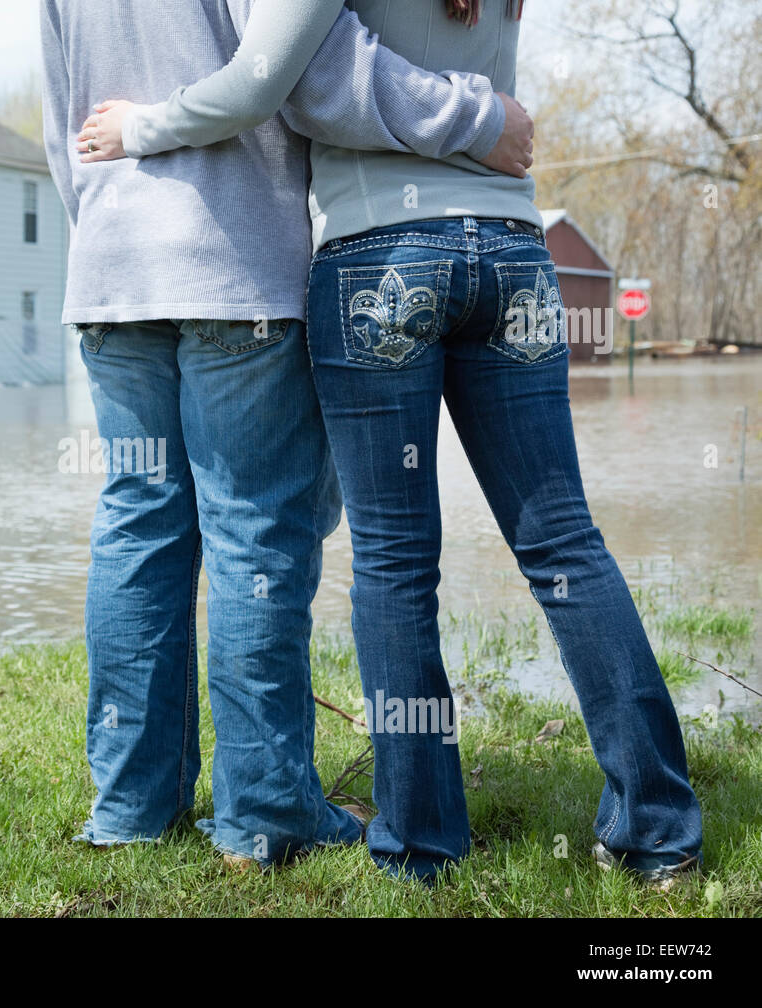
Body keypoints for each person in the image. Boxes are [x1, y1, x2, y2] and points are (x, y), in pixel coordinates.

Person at [77, 0, 703, 884]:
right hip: (515, 254)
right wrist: (481, 119)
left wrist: (139, 126)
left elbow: (291, 82)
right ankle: (660, 834)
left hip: (381, 256)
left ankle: (419, 841)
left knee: (397, 563)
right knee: (565, 544)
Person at [40, 0, 534, 869]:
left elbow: (59, 120)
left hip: (115, 270)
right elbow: (312, 67)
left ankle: (129, 808)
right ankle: (264, 814)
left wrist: (114, 232)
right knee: (254, 535)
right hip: (232, 262)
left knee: (135, 530)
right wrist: (478, 115)